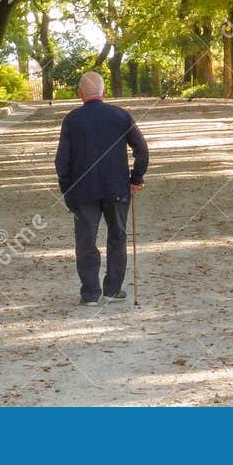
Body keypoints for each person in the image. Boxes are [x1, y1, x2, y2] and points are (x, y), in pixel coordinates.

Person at [55, 71, 148, 306]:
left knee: (86, 240)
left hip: (83, 191)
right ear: (103, 92)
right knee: (117, 235)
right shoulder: (120, 116)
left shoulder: (72, 120)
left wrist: (67, 189)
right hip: (116, 187)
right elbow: (142, 150)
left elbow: (61, 161)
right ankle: (112, 289)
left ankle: (90, 293)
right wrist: (136, 179)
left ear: (79, 94)